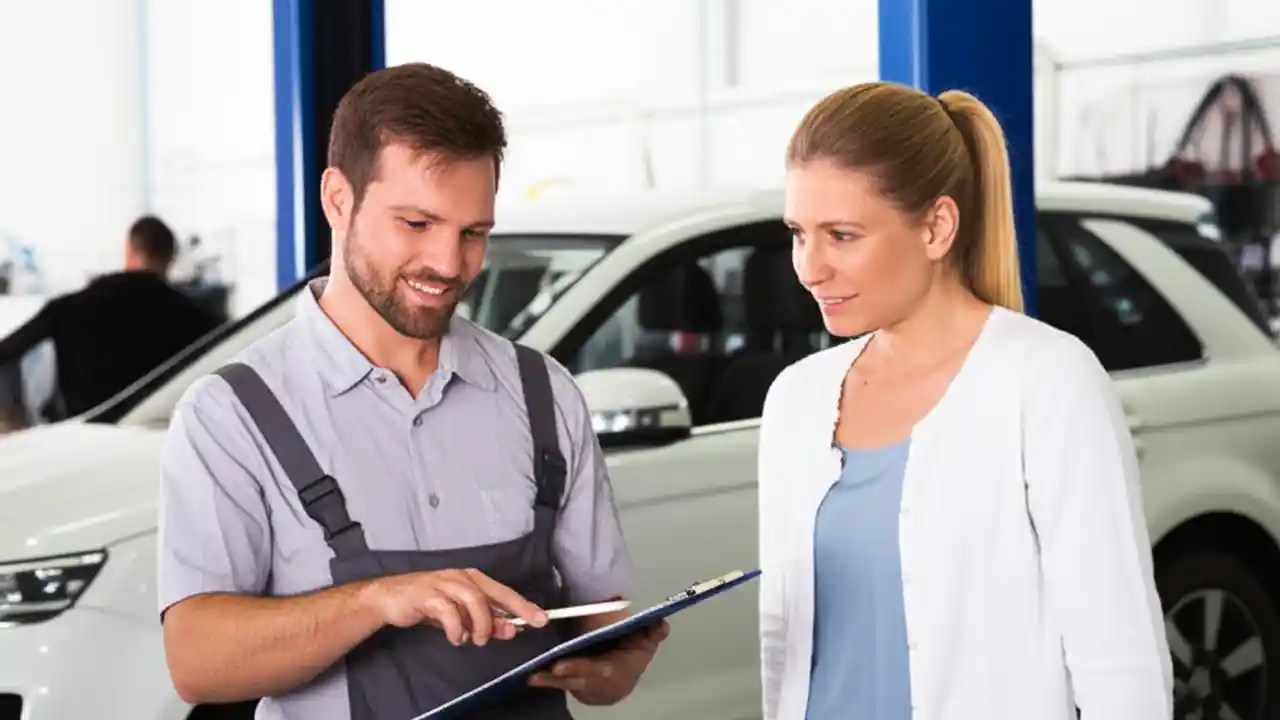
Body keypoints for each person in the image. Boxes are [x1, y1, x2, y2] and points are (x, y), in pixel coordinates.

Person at [157, 62, 667, 720]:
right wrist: (378, 600)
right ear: (338, 200)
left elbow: (601, 631)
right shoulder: (232, 415)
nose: (449, 264)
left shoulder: (544, 396)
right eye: (418, 224)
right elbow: (197, 662)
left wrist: (610, 671)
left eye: (473, 233)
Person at [756, 81, 1173, 719]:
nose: (810, 268)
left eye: (841, 235)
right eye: (798, 233)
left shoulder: (1046, 381)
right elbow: (783, 647)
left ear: (937, 227)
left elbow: (1119, 659)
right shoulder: (796, 400)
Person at [0, 215, 220, 422]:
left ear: (129, 250)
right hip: (159, 435)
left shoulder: (71, 307)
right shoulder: (195, 316)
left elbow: (6, 352)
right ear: (171, 258)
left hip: (80, 435)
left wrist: (11, 416)